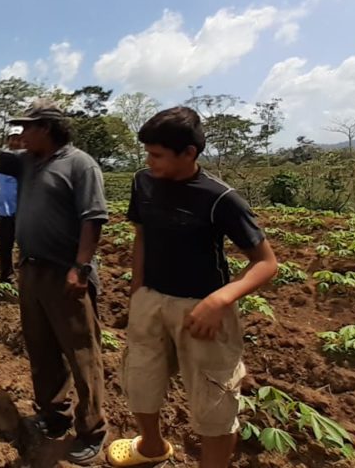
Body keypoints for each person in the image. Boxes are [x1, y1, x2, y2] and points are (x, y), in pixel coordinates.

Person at [105, 107, 278, 468]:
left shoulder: (220, 198)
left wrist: (220, 299)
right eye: (148, 154)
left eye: (158, 155)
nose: (150, 162)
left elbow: (266, 263)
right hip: (150, 300)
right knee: (140, 381)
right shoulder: (144, 181)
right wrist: (137, 292)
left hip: (202, 311)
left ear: (189, 153)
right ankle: (151, 446)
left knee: (214, 402)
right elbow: (142, 236)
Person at [0, 97, 110, 465]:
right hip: (31, 270)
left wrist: (80, 268)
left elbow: (93, 218)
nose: (21, 133)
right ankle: (54, 416)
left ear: (46, 128)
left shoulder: (80, 165)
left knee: (81, 353)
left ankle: (93, 428)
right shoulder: (28, 162)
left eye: (27, 127)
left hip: (66, 273)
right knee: (41, 349)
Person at [0, 125, 24, 283]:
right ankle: (7, 277)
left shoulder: (29, 160)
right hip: (3, 210)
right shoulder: (1, 158)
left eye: (18, 138)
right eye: (13, 138)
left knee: (26, 247)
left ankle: (27, 276)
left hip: (24, 212)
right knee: (4, 247)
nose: (15, 141)